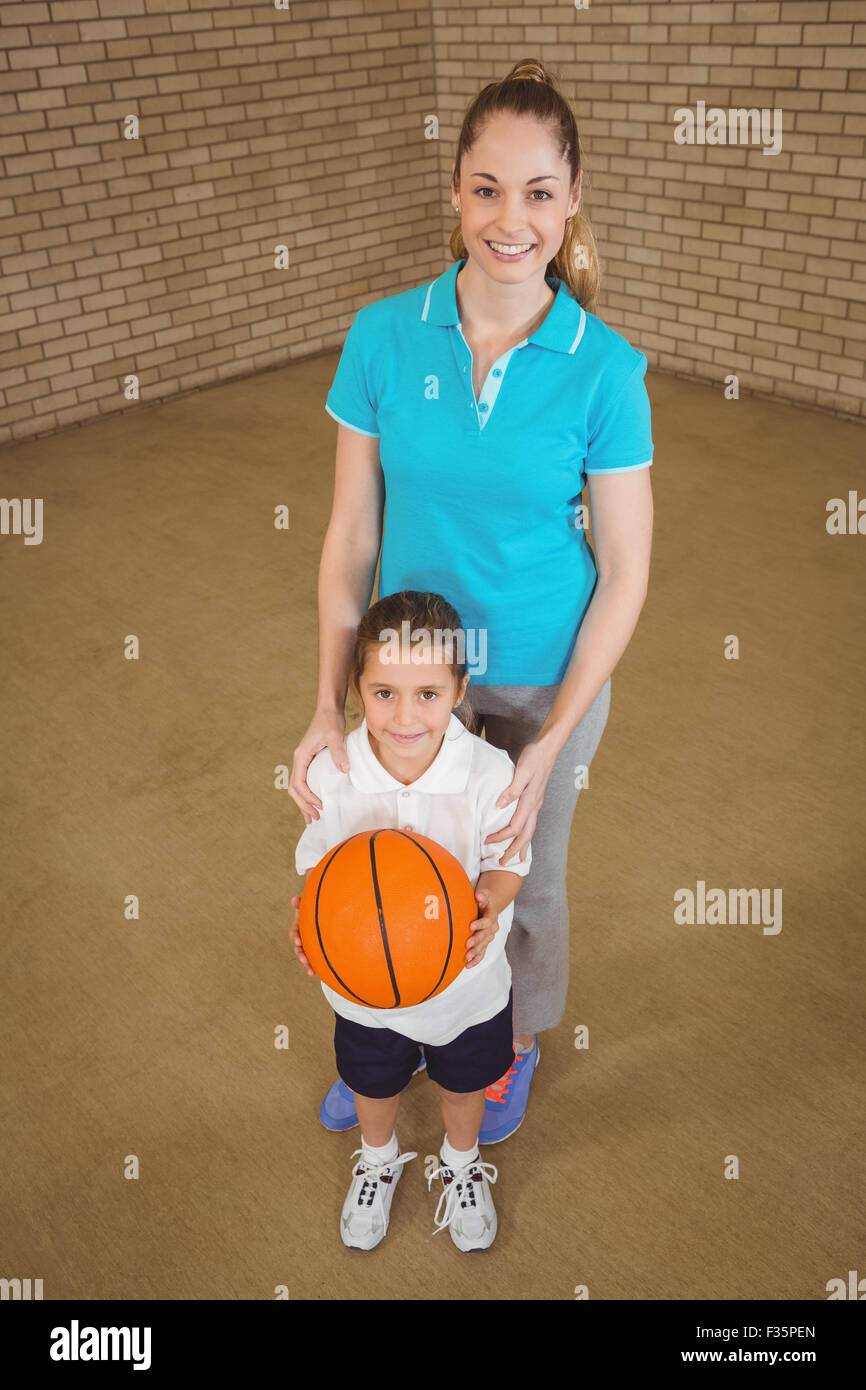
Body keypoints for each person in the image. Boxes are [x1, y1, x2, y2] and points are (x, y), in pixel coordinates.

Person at [290, 58, 654, 1147]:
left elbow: (626, 571)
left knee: (516, 880)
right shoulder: (382, 337)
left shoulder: (604, 371)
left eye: (538, 192)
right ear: (454, 189)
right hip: (412, 678)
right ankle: (393, 1027)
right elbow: (352, 529)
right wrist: (325, 703)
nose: (511, 219)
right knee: (395, 852)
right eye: (487, 187)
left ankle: (507, 1048)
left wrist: (546, 746)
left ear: (572, 197)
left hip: (545, 674)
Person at [290, 590, 532, 1251]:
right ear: (355, 689)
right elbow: (319, 872)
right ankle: (377, 1158)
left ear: (460, 687)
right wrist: (314, 926)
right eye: (383, 693)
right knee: (372, 1080)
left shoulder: (488, 772)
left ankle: (460, 1165)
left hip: (467, 984)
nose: (404, 715)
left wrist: (492, 903)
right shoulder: (333, 772)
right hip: (364, 988)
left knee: (463, 1085)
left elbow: (510, 861)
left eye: (427, 693)